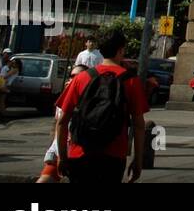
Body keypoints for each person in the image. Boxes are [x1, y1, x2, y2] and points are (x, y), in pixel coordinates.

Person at [54, 30, 148, 183]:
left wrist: (62, 156)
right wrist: (137, 160)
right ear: (121, 50)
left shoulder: (82, 78)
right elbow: (139, 125)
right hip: (114, 154)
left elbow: (62, 121)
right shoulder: (131, 81)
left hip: (80, 152)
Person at [0, 57, 20, 122]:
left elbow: (5, 76)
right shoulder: (11, 69)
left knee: (0, 100)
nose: (12, 63)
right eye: (12, 62)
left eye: (14, 63)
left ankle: (0, 114)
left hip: (6, 86)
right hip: (4, 85)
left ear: (17, 64)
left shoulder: (15, 69)